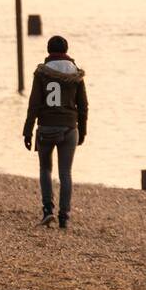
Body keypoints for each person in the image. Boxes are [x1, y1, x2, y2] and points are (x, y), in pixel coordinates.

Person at [22, 35, 89, 230]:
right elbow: (83, 105)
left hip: (46, 128)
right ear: (67, 51)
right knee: (65, 172)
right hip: (69, 128)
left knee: (45, 169)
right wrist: (82, 130)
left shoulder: (42, 73)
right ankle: (64, 216)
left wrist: (27, 131)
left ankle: (47, 210)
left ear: (48, 51)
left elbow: (33, 104)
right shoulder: (76, 74)